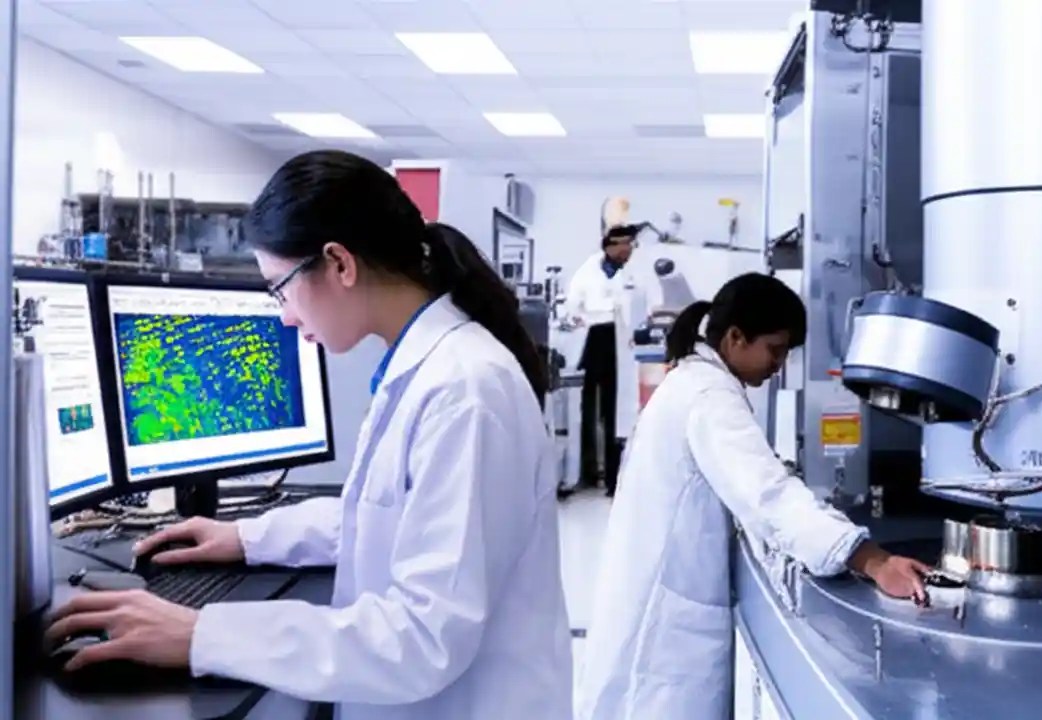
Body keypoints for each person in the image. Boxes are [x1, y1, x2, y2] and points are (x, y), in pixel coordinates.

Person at [45, 150, 573, 720]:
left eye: (279, 288)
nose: (285, 316)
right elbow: (383, 517)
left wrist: (203, 634)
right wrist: (248, 537)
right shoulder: (430, 368)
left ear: (339, 264)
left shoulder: (465, 391)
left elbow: (423, 640)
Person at [575, 273, 931, 720]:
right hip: (662, 639)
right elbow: (768, 495)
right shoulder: (708, 396)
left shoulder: (694, 381)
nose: (778, 364)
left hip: (655, 606)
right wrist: (872, 560)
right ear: (735, 338)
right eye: (775, 350)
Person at [563, 224, 637, 496]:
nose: (627, 250)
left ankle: (615, 478)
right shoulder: (588, 272)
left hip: (623, 347)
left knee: (617, 412)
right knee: (594, 411)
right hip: (596, 341)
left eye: (630, 245)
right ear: (610, 246)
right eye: (623, 245)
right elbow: (574, 309)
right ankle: (591, 473)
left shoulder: (631, 274)